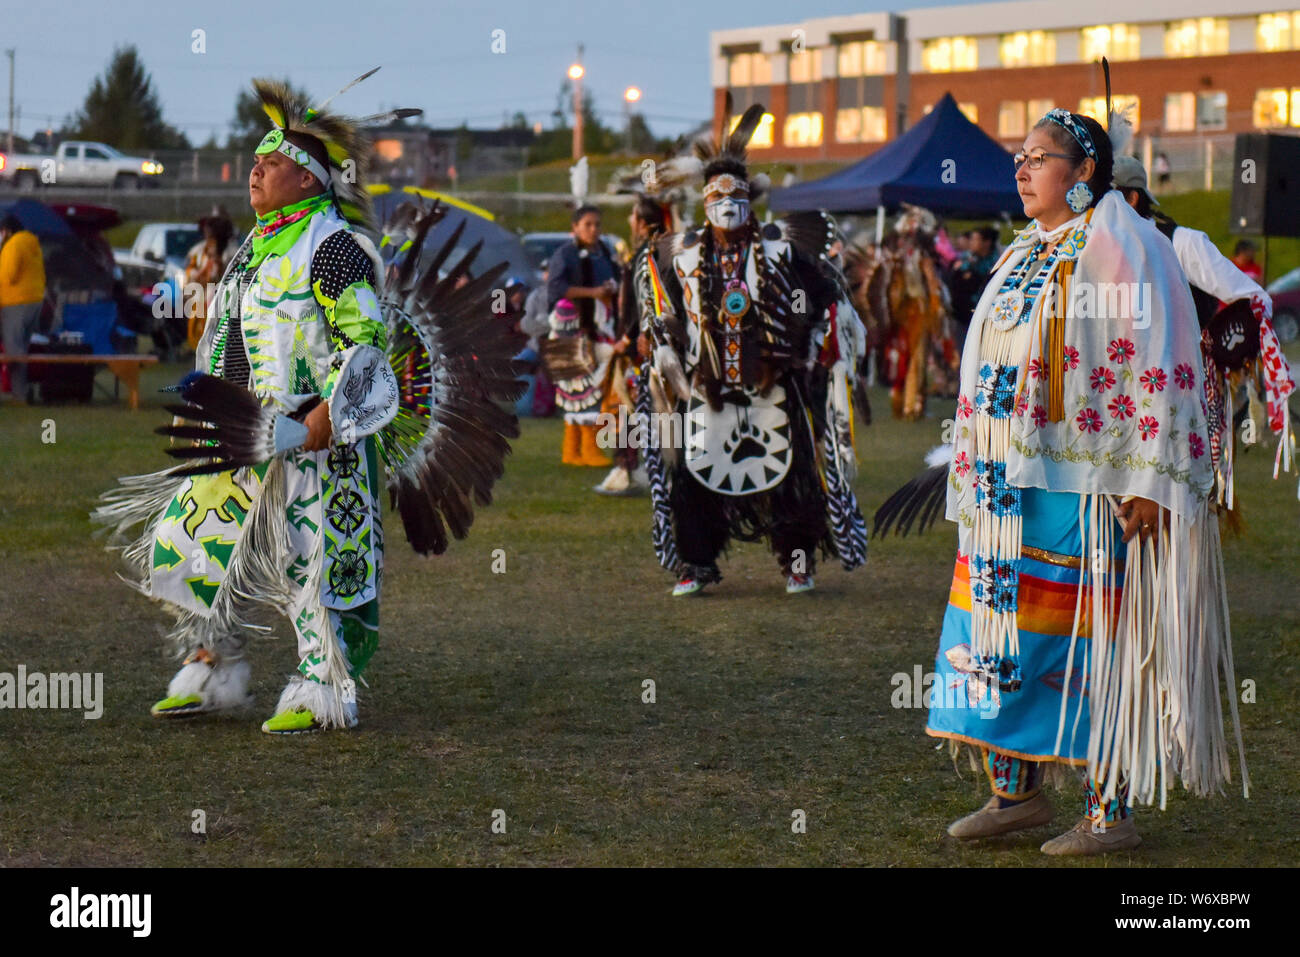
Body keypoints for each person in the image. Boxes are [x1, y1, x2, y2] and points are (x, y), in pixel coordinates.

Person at [918, 105, 1246, 854]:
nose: (1022, 169)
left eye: (1039, 157)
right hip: (1007, 492)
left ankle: (1110, 810)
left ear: (1084, 171)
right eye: (1020, 158)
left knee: (1092, 640)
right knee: (999, 633)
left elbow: (1161, 355)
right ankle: (1015, 793)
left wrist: (1149, 479)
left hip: (1087, 488)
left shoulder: (1123, 245)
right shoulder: (1018, 255)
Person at [97, 76, 408, 734]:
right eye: (255, 162)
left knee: (310, 554)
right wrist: (208, 402)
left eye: (273, 163)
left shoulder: (331, 247)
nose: (256, 171)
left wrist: (329, 411)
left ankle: (324, 682)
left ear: (308, 180)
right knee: (195, 543)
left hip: (316, 429)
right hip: (244, 426)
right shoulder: (251, 253)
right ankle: (214, 666)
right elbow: (223, 341)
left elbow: (364, 337)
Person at [643, 104, 868, 595]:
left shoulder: (779, 246)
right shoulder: (678, 254)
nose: (728, 202)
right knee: (695, 479)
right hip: (708, 385)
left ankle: (797, 562)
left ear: (752, 199)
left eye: (737, 193)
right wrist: (665, 346)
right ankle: (697, 563)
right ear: (704, 202)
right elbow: (666, 312)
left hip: (775, 382)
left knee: (792, 479)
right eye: (718, 194)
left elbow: (823, 291)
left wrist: (824, 331)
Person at [1114, 155, 1296, 503]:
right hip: (1119, 400)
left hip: (1178, 398)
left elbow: (1253, 299)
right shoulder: (1099, 249)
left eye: (1106, 199)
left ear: (1131, 198)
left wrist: (1212, 353)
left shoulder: (1182, 243)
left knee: (1174, 504)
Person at [544, 204, 621, 467]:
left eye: (597, 224)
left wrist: (612, 287)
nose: (594, 229)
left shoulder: (605, 253)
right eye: (587, 224)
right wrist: (593, 293)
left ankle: (577, 450)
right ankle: (581, 450)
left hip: (595, 327)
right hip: (568, 329)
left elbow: (613, 280)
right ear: (574, 227)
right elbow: (556, 288)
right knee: (578, 388)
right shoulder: (564, 254)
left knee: (590, 388)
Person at [0, 213, 47, 403]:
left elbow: (8, 275)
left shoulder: (13, 245)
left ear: (8, 230)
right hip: (35, 301)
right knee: (21, 348)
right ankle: (21, 391)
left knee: (13, 350)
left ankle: (19, 395)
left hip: (15, 302)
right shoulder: (32, 243)